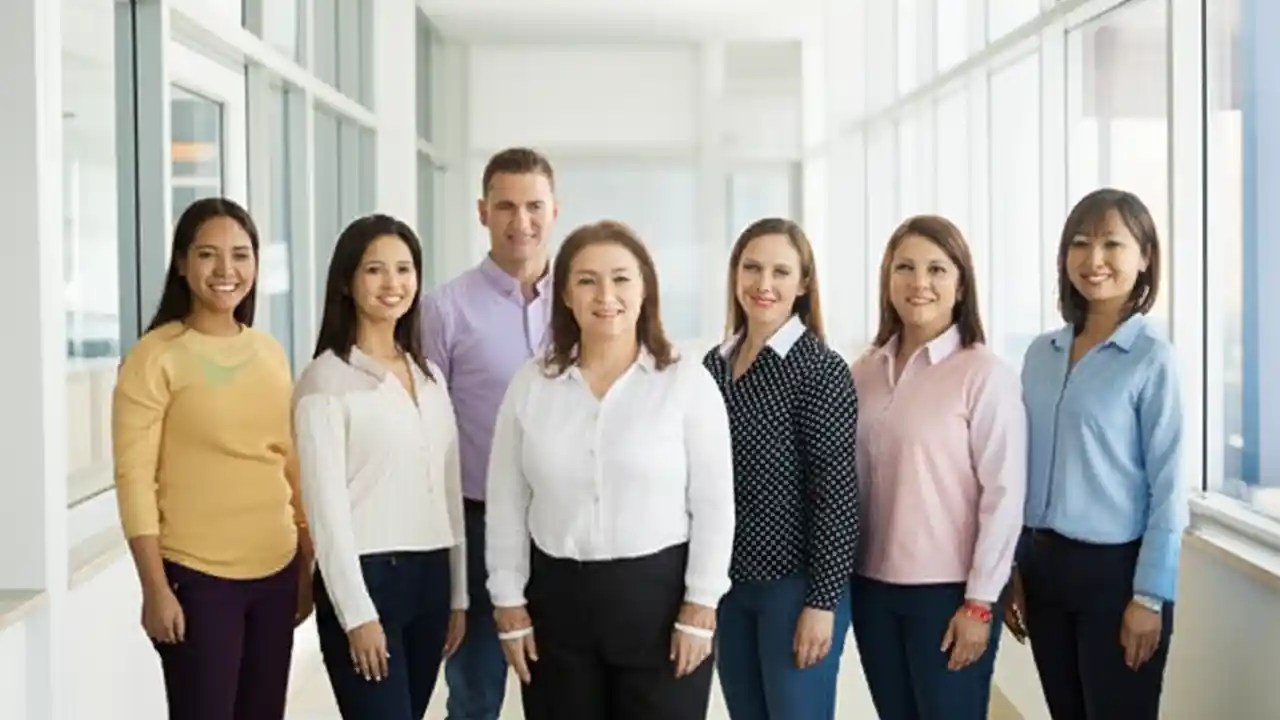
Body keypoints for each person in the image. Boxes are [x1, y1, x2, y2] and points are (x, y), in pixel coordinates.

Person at [485, 220, 736, 720]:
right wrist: (508, 602)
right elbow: (507, 501)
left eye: (621, 278)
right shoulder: (532, 384)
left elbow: (712, 503)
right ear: (566, 297)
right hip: (557, 602)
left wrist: (701, 606)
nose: (606, 295)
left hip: (660, 603)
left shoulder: (686, 382)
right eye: (587, 280)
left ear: (645, 289)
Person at [111, 197, 313, 720]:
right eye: (208, 254)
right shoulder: (155, 357)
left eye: (241, 255)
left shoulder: (268, 351)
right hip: (197, 581)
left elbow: (290, 465)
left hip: (275, 572)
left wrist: (305, 564)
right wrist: (154, 589)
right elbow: (134, 479)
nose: (226, 270)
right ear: (182, 262)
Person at [1008, 189, 1186, 720]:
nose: (1095, 260)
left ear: (1145, 256)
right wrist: (1014, 561)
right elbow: (1021, 467)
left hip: (1117, 577)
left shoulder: (1152, 357)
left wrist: (1149, 597)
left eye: (1113, 243)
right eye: (1080, 244)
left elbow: (1170, 487)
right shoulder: (1042, 353)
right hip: (1042, 568)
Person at [848, 215, 1026, 720]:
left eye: (936, 269)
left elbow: (1005, 495)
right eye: (904, 267)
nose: (919, 282)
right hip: (871, 589)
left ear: (961, 283)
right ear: (887, 279)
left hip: (948, 596)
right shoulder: (864, 372)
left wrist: (979, 602)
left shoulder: (984, 374)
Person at [293, 214, 467, 719]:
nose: (393, 284)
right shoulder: (325, 381)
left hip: (431, 576)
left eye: (404, 269)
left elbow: (448, 487)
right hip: (368, 579)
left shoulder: (429, 375)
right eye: (375, 270)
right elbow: (326, 513)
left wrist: (457, 594)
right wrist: (356, 614)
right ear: (347, 282)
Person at [701, 218, 859, 719]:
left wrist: (822, 602)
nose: (763, 284)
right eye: (751, 268)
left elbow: (836, 494)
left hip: (794, 590)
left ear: (804, 284)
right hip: (729, 588)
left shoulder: (819, 369)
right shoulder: (714, 366)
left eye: (780, 271)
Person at [424, 147, 558, 720]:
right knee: (475, 694)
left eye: (534, 205)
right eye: (506, 205)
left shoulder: (586, 303)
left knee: (559, 692)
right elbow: (427, 432)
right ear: (482, 211)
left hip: (560, 528)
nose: (520, 221)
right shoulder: (444, 310)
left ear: (555, 210)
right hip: (477, 525)